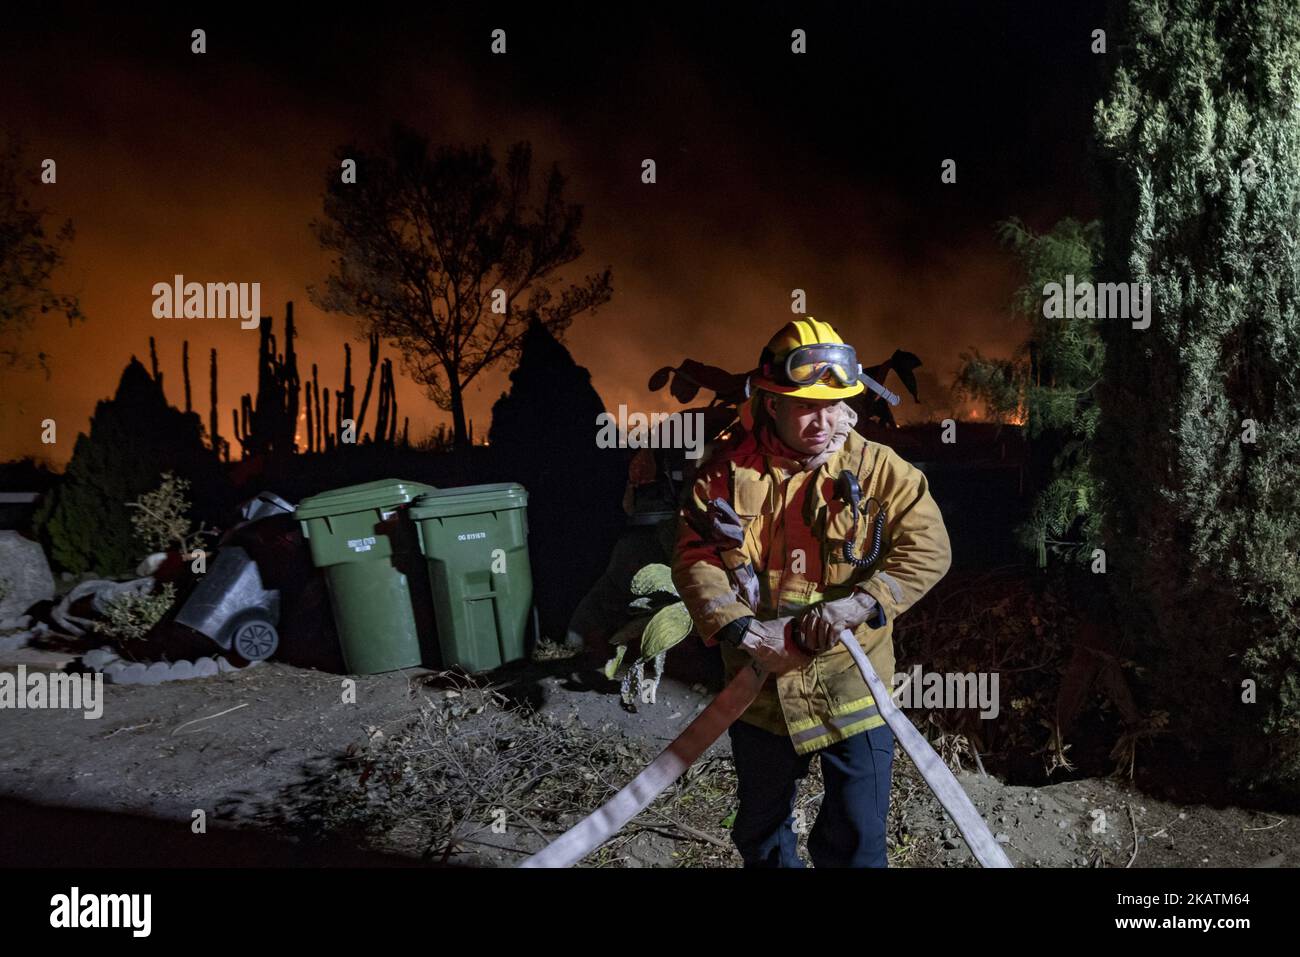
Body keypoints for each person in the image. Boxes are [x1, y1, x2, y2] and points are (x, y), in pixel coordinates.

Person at [671, 316, 952, 867]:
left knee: (857, 844)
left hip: (852, 690)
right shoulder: (723, 475)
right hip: (760, 692)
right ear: (771, 401)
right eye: (805, 405)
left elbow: (929, 548)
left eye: (834, 404)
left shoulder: (878, 470)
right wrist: (740, 627)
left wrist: (861, 603)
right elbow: (695, 553)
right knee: (763, 836)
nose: (822, 420)